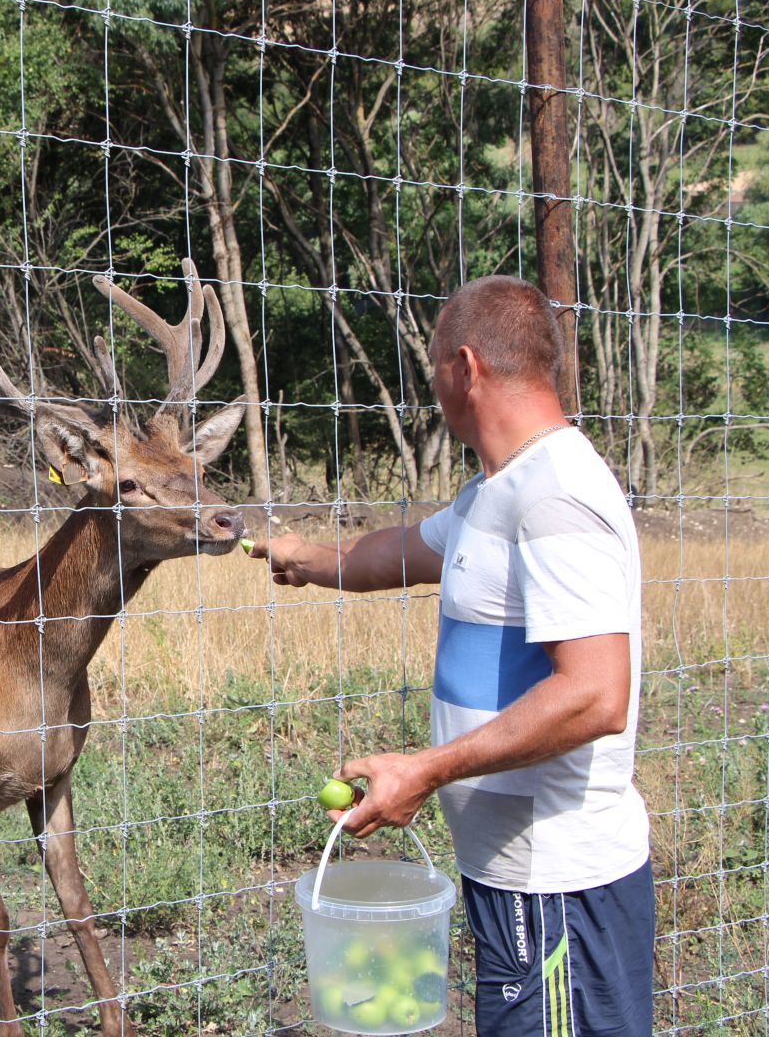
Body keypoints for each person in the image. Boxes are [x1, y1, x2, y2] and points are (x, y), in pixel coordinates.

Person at [252, 276, 652, 1036]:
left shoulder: (557, 496)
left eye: (432, 367)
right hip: (514, 879)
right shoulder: (497, 491)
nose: (430, 386)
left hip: (558, 886)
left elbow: (596, 693)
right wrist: (307, 556)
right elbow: (402, 550)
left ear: (464, 367)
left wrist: (426, 769)